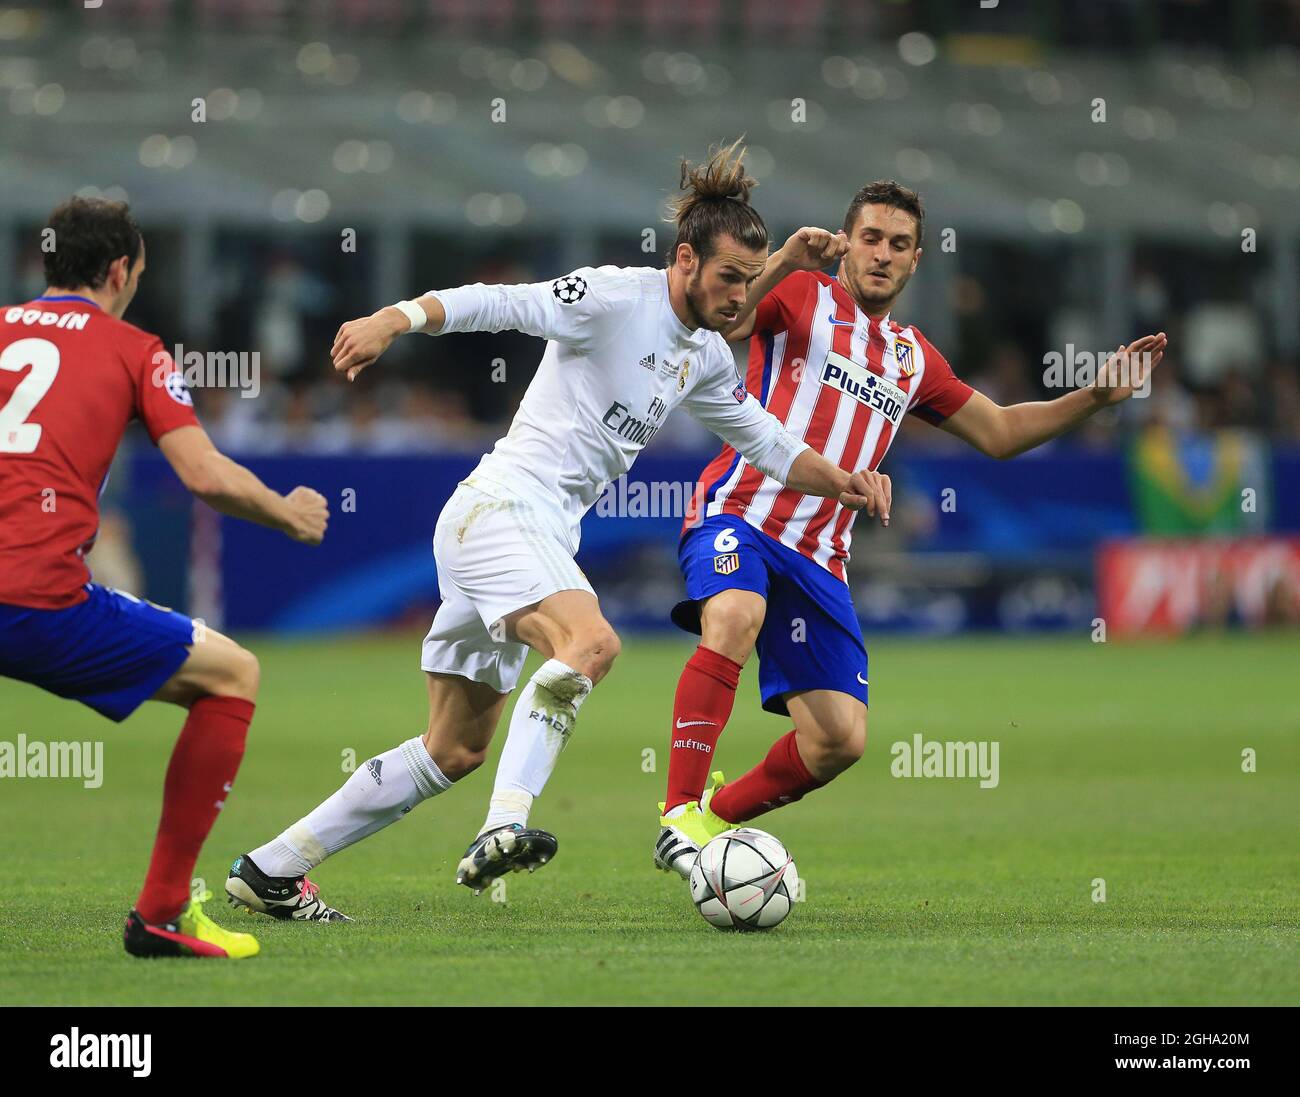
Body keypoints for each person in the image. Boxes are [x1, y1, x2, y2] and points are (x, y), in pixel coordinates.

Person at [227, 141, 893, 919]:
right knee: (594, 643)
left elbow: (768, 443)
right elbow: (498, 303)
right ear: (685, 259)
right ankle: (504, 824)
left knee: (454, 748)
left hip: (522, 531)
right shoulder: (614, 297)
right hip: (500, 511)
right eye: (728, 278)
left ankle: (272, 869)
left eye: (751, 280)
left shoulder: (705, 356)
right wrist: (394, 318)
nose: (741, 296)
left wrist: (843, 480)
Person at [654, 179, 1166, 875]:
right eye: (870, 238)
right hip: (739, 511)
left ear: (917, 260)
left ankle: (714, 817)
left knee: (839, 739)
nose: (882, 254)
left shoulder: (912, 358)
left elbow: (1001, 431)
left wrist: (1097, 397)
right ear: (848, 242)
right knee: (736, 614)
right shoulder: (803, 295)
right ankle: (678, 810)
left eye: (899, 244)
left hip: (819, 553)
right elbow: (722, 324)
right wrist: (785, 262)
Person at [0, 197, 330, 957]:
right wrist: (287, 513)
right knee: (232, 674)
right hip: (39, 600)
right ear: (119, 270)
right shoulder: (135, 347)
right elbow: (204, 474)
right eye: (140, 272)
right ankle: (162, 912)